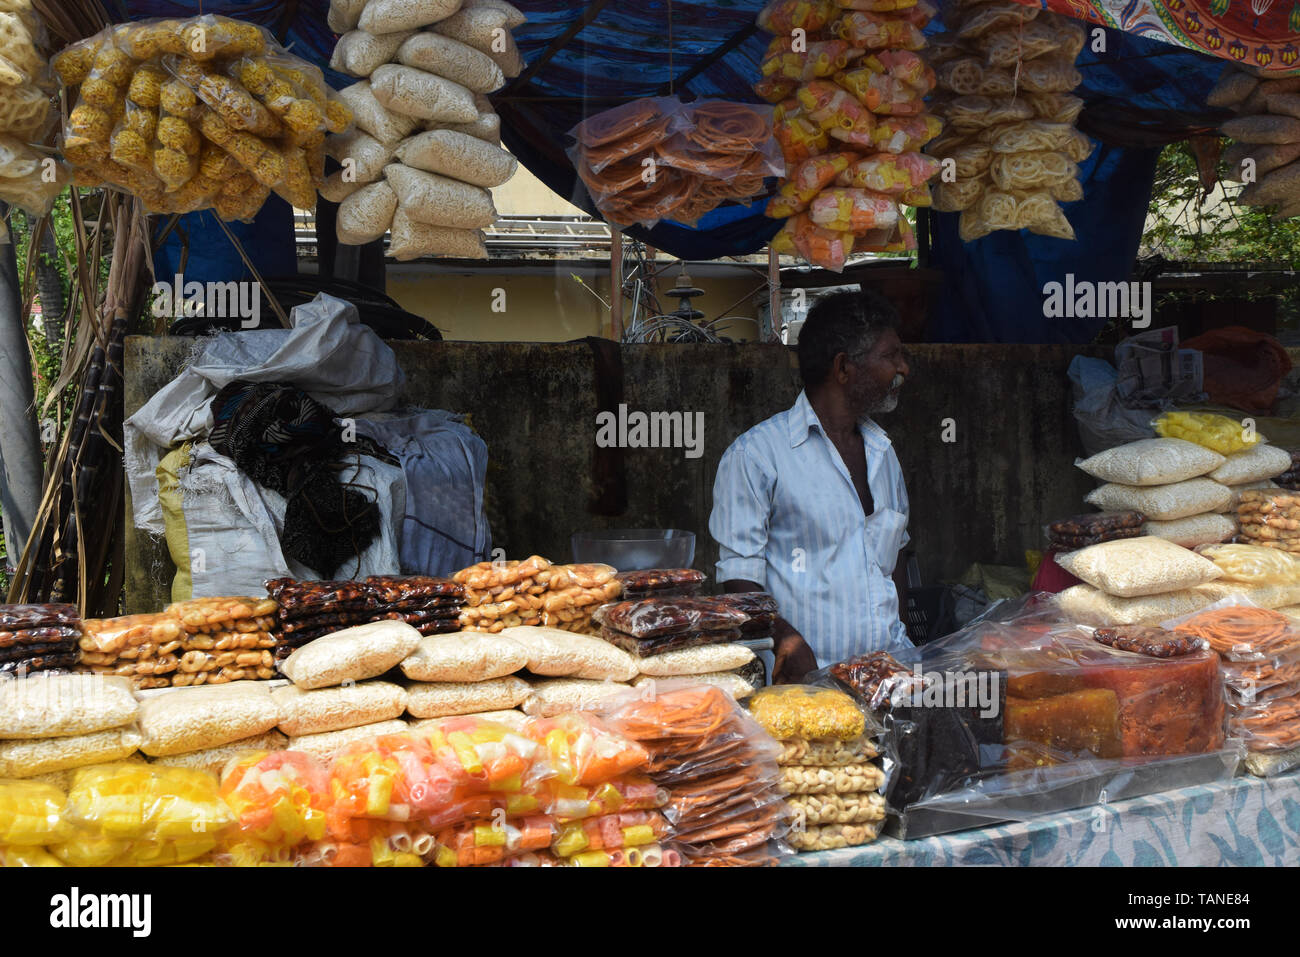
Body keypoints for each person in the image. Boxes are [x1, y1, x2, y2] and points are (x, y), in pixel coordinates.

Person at [709, 289, 912, 683]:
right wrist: (783, 637)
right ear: (843, 368)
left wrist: (898, 645)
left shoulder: (883, 452)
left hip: (888, 676)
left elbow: (897, 557)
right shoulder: (757, 456)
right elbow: (738, 579)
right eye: (891, 356)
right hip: (802, 684)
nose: (904, 368)